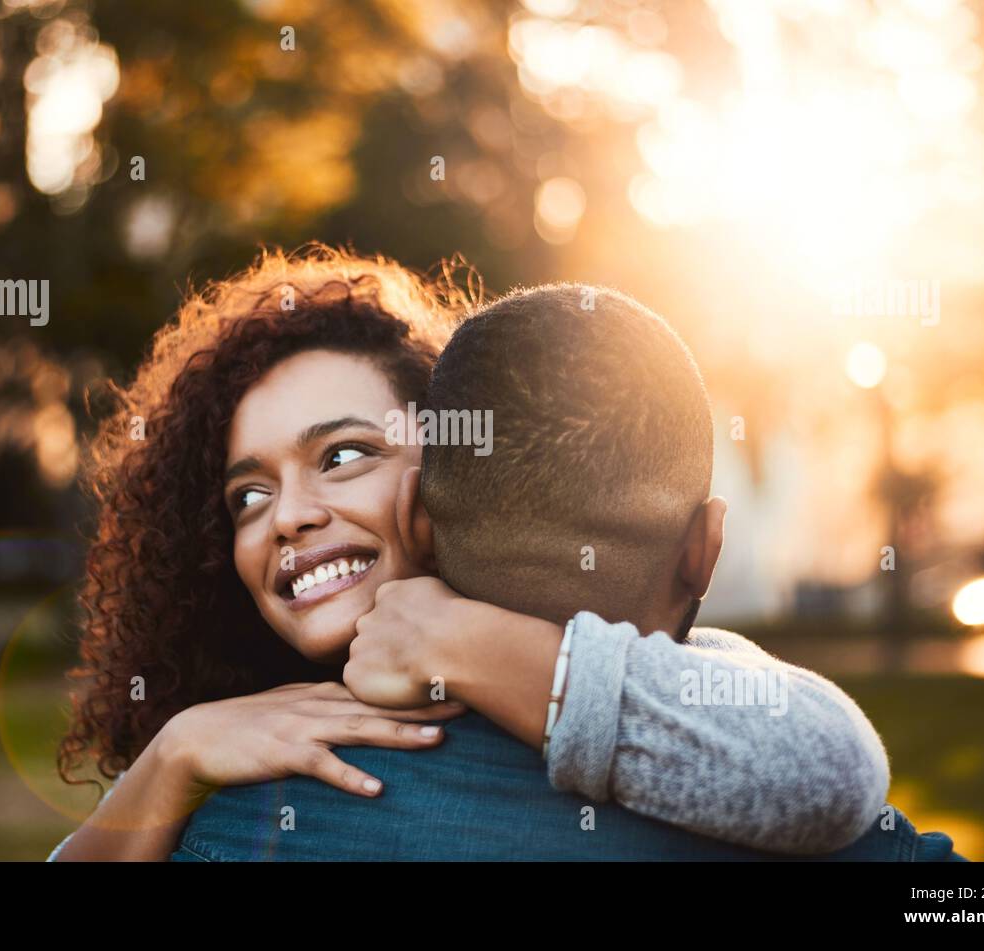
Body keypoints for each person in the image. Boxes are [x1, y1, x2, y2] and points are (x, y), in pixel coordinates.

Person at [49, 249, 895, 861]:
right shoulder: (242, 788)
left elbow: (823, 767)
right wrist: (175, 753)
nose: (291, 517)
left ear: (447, 470)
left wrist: (458, 638)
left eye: (342, 455)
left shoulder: (680, 691)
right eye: (247, 495)